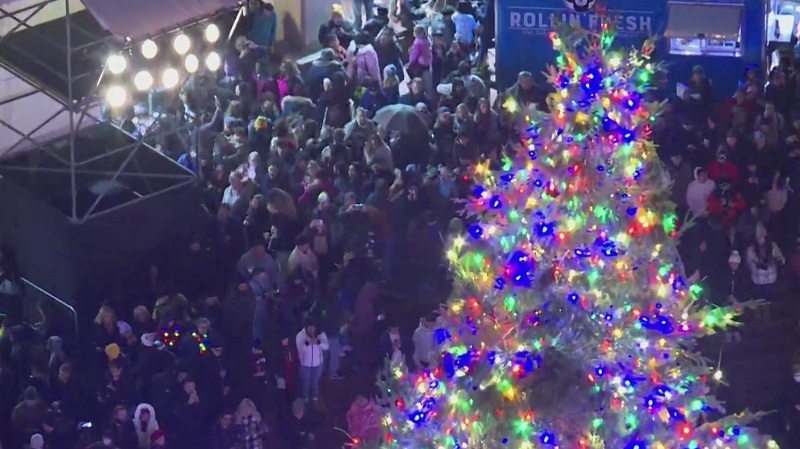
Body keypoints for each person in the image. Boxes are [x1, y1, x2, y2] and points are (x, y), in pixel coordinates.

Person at [295, 321, 329, 402]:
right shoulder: (300, 335)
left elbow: (326, 346)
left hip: (317, 364)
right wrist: (307, 343)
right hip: (305, 364)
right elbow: (299, 349)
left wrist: (318, 342)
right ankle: (305, 398)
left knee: (315, 381)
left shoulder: (321, 334)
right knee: (305, 382)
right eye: (309, 327)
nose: (311, 329)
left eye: (313, 327)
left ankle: (315, 397)